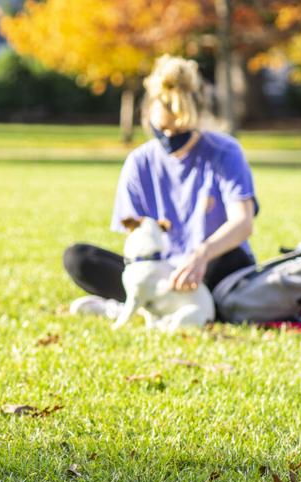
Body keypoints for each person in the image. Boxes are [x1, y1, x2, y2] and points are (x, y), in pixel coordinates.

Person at [64, 55, 258, 320]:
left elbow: (243, 223)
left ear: (197, 118)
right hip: (161, 274)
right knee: (79, 258)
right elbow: (134, 240)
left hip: (213, 264)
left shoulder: (225, 152)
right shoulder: (139, 162)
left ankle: (142, 307)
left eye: (178, 131)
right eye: (161, 129)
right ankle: (149, 303)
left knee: (226, 264)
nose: (168, 138)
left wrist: (201, 254)